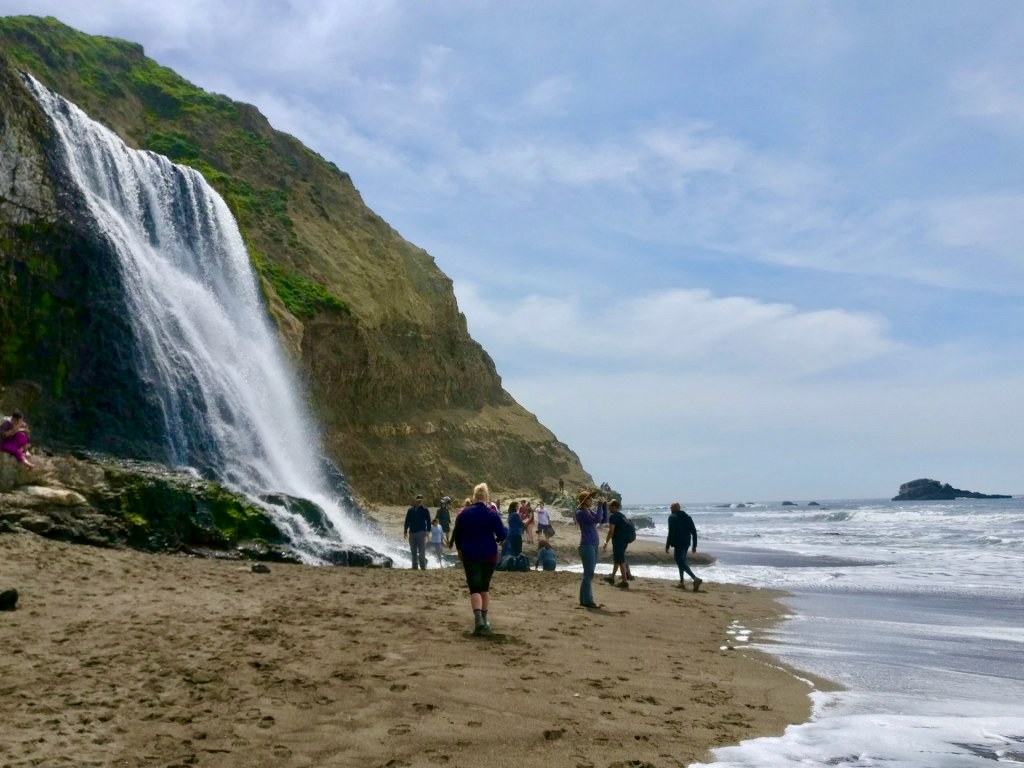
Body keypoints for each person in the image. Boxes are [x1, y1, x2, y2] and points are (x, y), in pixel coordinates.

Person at [449, 482, 507, 635]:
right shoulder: (492, 514)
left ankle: (478, 620)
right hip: (489, 554)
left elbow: (458, 534)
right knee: (484, 588)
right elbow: (501, 535)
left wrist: (460, 550)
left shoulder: (464, 513)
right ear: (486, 497)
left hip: (470, 553)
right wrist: (498, 540)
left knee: (474, 587)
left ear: (474, 497)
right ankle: (484, 619)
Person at [665, 502, 703, 591]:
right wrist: (694, 545)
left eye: (671, 507)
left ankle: (695, 578)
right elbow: (694, 532)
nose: (670, 509)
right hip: (686, 542)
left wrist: (667, 546)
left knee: (679, 561)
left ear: (674, 508)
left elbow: (671, 533)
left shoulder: (672, 517)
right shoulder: (687, 517)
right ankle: (681, 582)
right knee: (681, 562)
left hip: (678, 543)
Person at [575, 489, 603, 608]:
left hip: (593, 545)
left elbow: (602, 519)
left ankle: (584, 599)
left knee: (588, 574)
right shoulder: (581, 512)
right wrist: (600, 505)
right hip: (587, 545)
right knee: (589, 574)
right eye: (590, 498)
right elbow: (596, 520)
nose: (592, 500)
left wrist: (604, 506)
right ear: (585, 500)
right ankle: (587, 600)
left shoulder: (588, 511)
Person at [602, 499, 632, 588]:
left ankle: (624, 581)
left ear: (614, 507)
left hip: (619, 541)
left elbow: (611, 531)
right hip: (625, 540)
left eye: (609, 506)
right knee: (617, 559)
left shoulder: (613, 517)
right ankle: (612, 577)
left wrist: (606, 542)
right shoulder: (622, 516)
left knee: (621, 560)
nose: (608, 508)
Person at [403, 494, 432, 570]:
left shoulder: (425, 510)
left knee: (422, 551)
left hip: (421, 532)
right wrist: (405, 531)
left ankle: (423, 567)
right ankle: (414, 566)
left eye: (420, 500)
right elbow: (407, 521)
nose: (419, 501)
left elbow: (428, 521)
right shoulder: (410, 510)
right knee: (413, 551)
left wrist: (428, 531)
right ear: (415, 500)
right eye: (418, 500)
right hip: (412, 532)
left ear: (422, 501)